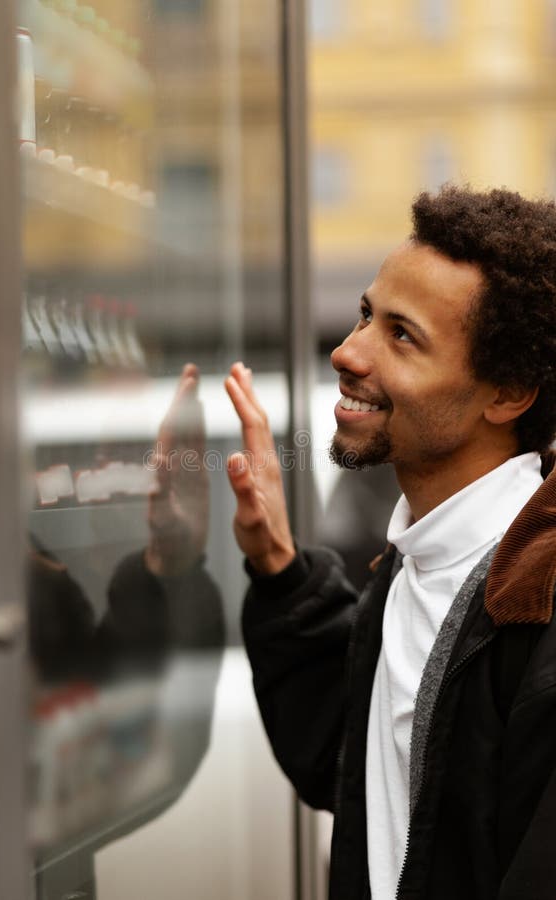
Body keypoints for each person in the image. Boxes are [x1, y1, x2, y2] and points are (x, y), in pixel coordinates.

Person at [224, 185, 556, 900]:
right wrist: (278, 567)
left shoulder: (536, 597)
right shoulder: (418, 560)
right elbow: (361, 769)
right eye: (366, 315)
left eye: (401, 335)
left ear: (507, 394)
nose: (348, 352)